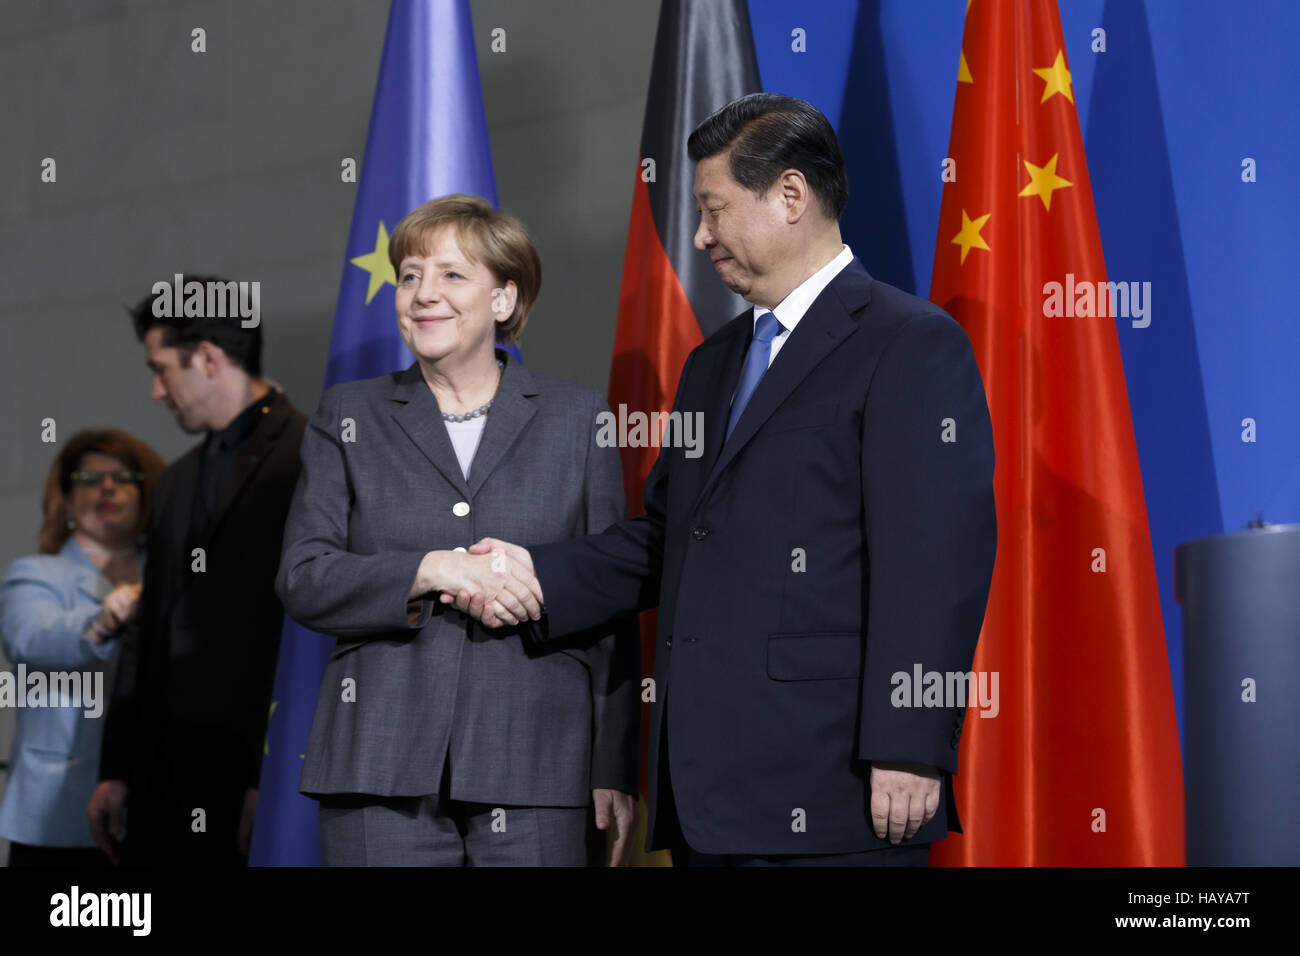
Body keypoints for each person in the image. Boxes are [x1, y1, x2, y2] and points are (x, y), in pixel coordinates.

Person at [455, 94, 998, 866]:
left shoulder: (908, 343)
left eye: (713, 209)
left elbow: (936, 564)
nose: (701, 235)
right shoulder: (713, 363)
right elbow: (672, 537)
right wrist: (532, 571)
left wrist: (910, 745)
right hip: (707, 791)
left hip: (834, 783)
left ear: (789, 197)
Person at [275, 194, 640, 866]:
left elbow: (608, 595)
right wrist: (433, 569)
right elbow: (304, 577)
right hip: (378, 770)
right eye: (409, 275)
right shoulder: (347, 414)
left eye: (450, 275)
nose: (421, 294)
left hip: (538, 767)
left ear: (504, 300)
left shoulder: (576, 415)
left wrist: (613, 762)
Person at [86, 276, 308, 866]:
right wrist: (116, 770)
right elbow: (147, 631)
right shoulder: (178, 479)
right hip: (162, 784)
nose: (157, 392)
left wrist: (279, 776)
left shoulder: (313, 454)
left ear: (208, 358)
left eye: (162, 370)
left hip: (254, 781)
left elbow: (309, 637)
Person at [0, 430, 164, 866]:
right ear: (67, 502)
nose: (107, 487)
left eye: (122, 478)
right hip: (61, 809)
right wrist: (101, 621)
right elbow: (29, 638)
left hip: (155, 802)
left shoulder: (173, 574)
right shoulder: (36, 573)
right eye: (90, 478)